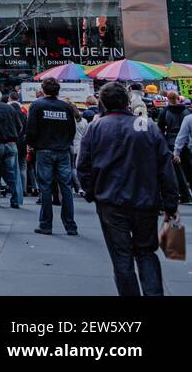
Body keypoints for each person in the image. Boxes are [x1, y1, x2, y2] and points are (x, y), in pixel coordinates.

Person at [78, 82, 180, 296]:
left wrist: (91, 193)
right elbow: (165, 167)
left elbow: (83, 166)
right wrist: (170, 202)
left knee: (121, 257)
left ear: (103, 103)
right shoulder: (147, 126)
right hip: (145, 201)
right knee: (146, 252)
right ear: (127, 102)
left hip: (110, 202)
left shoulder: (96, 128)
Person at [27, 76, 79, 236]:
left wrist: (32, 144)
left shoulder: (37, 105)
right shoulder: (66, 107)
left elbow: (31, 129)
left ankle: (46, 224)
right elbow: (72, 129)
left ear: (43, 90)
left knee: (46, 188)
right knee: (66, 188)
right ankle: (70, 225)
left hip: (44, 150)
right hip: (62, 150)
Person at [158, 92, 192, 203]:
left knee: (176, 171)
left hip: (171, 142)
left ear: (167, 99)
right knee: (188, 169)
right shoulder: (187, 111)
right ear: (178, 98)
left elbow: (160, 130)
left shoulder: (164, 112)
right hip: (187, 143)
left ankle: (183, 193)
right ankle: (187, 193)